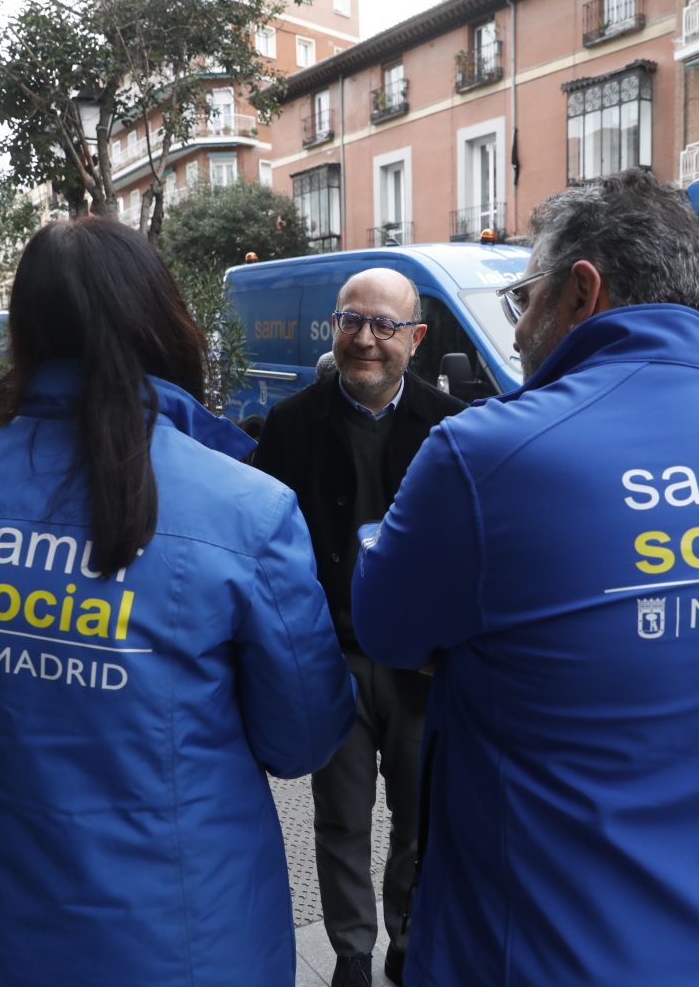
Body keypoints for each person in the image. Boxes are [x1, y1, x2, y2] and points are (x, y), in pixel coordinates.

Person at [350, 170, 699, 986]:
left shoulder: (487, 453)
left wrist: (380, 538)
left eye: (526, 296)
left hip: (548, 949)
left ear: (582, 291)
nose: (517, 334)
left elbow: (389, 627)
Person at [0, 216, 355, 987]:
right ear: (163, 318)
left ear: (27, 328)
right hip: (187, 932)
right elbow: (302, 737)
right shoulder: (246, 506)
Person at [254, 268, 464, 987]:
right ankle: (350, 953)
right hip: (330, 657)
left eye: (384, 326)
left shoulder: (451, 425)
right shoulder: (290, 425)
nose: (367, 340)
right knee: (340, 818)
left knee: (418, 818)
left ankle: (407, 938)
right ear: (334, 328)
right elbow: (266, 550)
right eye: (353, 322)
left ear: (416, 337)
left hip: (421, 665)